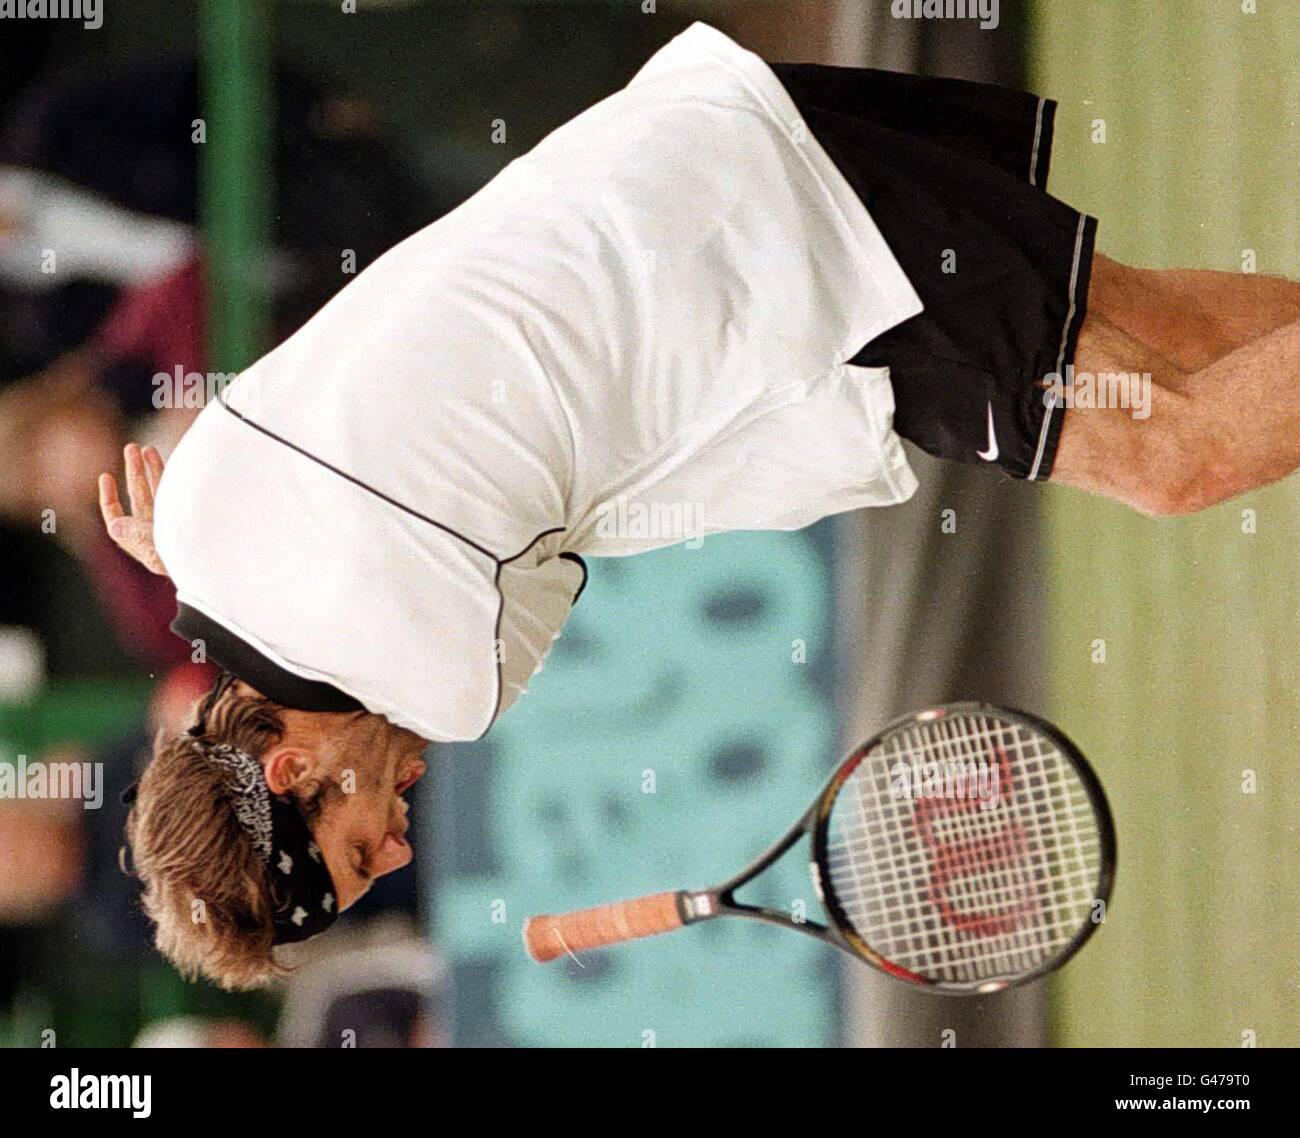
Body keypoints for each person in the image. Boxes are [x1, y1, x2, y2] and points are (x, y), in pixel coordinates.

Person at [97, 22, 1297, 990]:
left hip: (798, 285)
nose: (405, 843)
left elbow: (534, 570)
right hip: (697, 144)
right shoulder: (198, 509)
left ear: (292, 761)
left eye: (364, 846)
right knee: (1169, 348)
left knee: (1169, 457)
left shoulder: (443, 685)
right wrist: (189, 558)